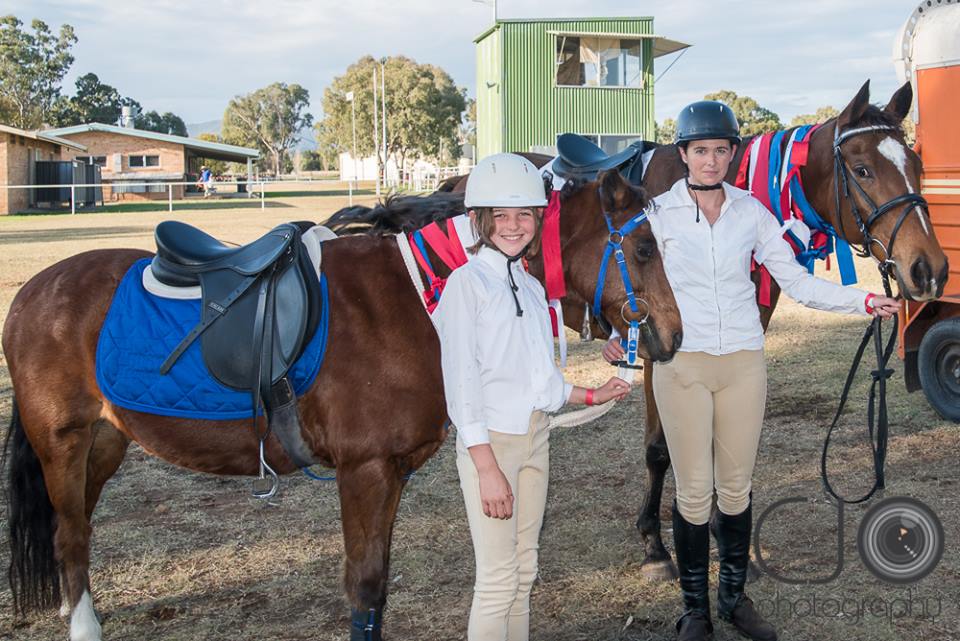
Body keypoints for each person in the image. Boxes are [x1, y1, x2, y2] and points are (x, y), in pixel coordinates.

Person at [601, 101, 900, 641]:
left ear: (732, 154)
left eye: (720, 150)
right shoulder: (660, 212)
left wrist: (861, 303)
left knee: (735, 491)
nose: (710, 160)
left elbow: (796, 279)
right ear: (683, 154)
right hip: (683, 367)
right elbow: (635, 286)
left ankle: (735, 599)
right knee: (693, 494)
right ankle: (696, 610)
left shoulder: (753, 213)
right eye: (699, 151)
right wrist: (621, 341)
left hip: (743, 365)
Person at [433, 153, 631, 641]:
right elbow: (460, 386)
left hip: (534, 440)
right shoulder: (466, 285)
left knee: (524, 573)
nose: (513, 225)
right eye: (500, 215)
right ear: (479, 220)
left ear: (538, 219)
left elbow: (538, 380)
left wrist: (591, 394)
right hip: (493, 448)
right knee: (498, 582)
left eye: (524, 214)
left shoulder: (527, 282)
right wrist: (486, 469)